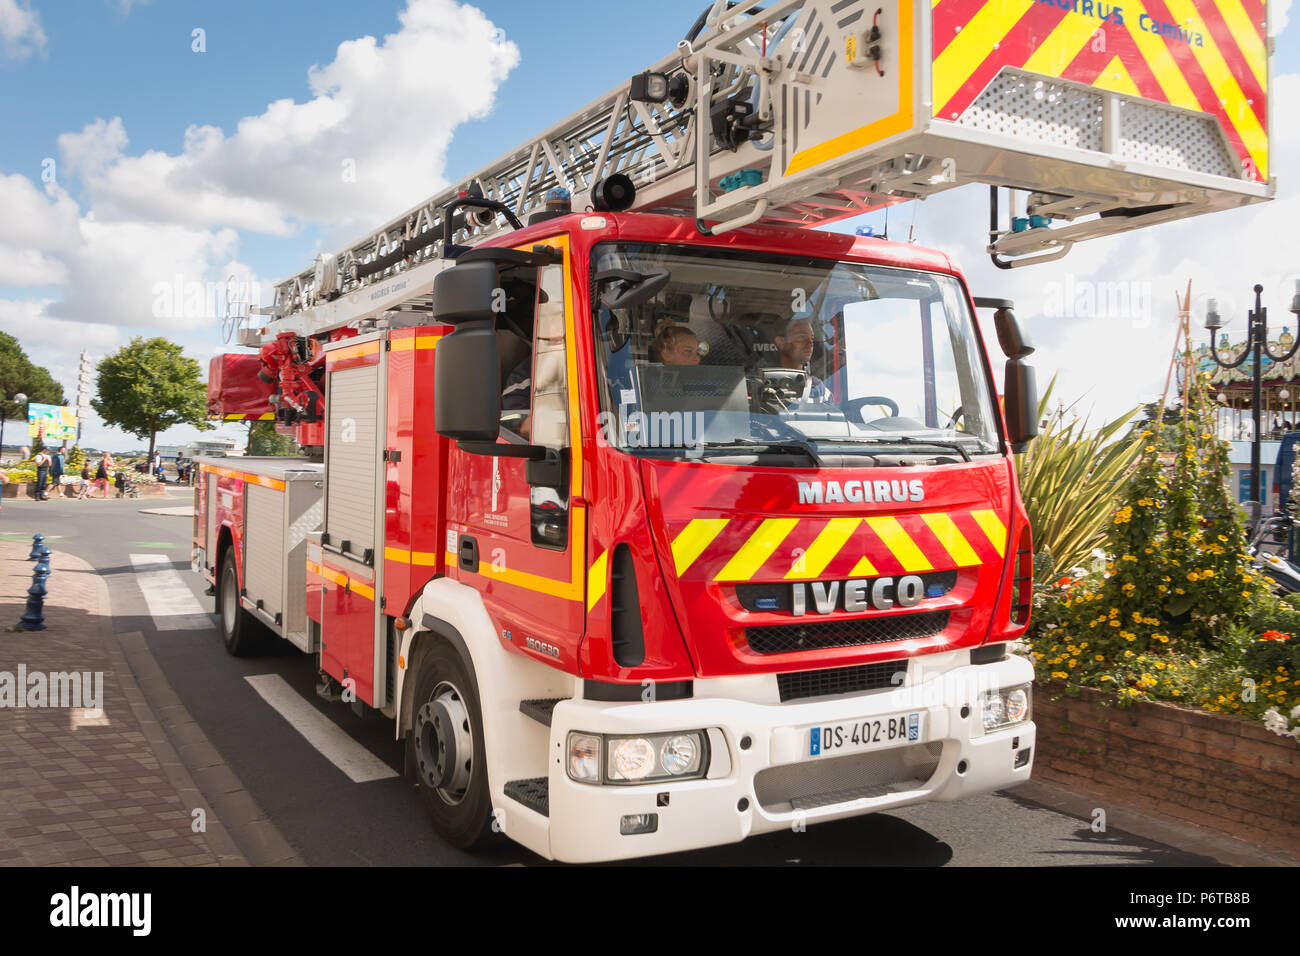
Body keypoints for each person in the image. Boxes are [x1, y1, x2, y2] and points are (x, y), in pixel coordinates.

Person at [772, 317, 831, 402]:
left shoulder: (818, 389)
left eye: (812, 339)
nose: (810, 344)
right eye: (801, 337)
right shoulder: (760, 384)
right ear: (781, 342)